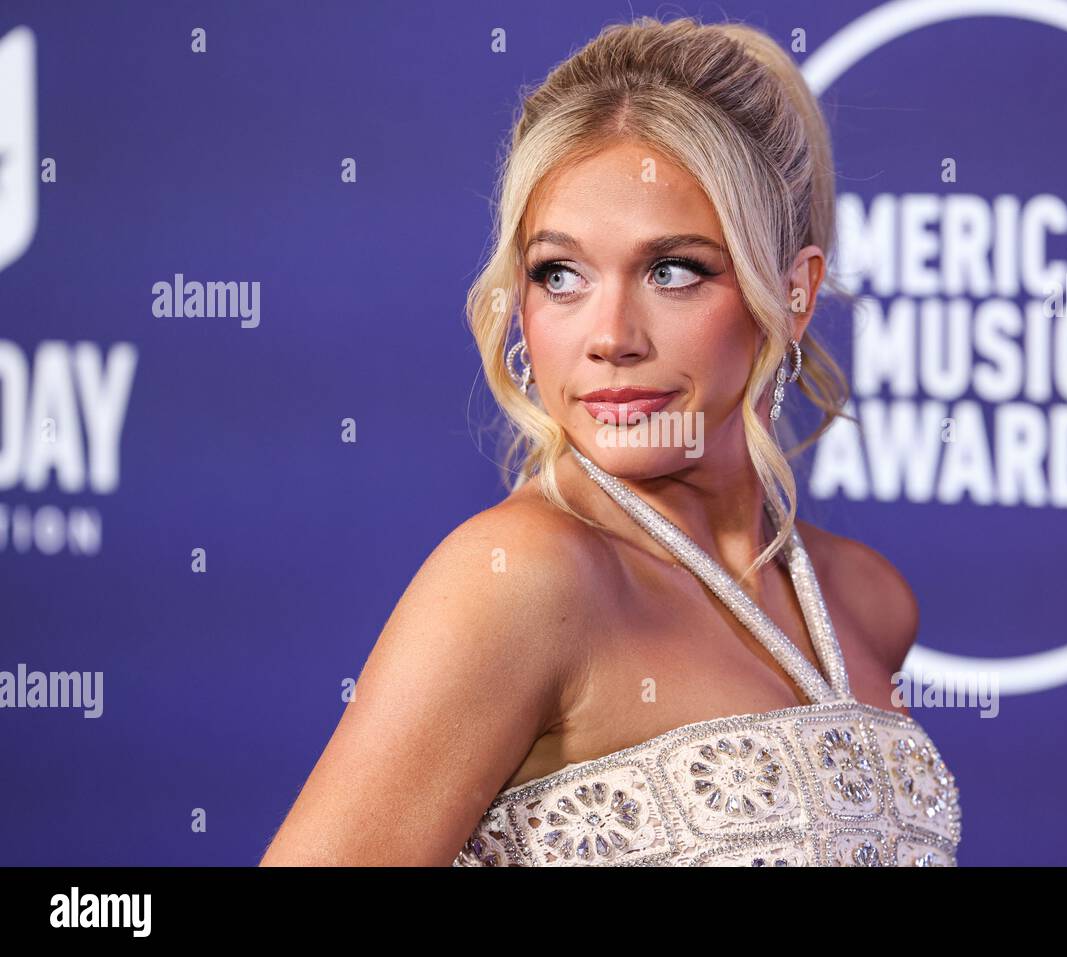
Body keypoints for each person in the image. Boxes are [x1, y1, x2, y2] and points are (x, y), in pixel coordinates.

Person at [260, 15, 961, 868]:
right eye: (561, 274)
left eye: (673, 270)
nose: (610, 335)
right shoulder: (519, 580)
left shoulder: (868, 601)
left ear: (795, 290)